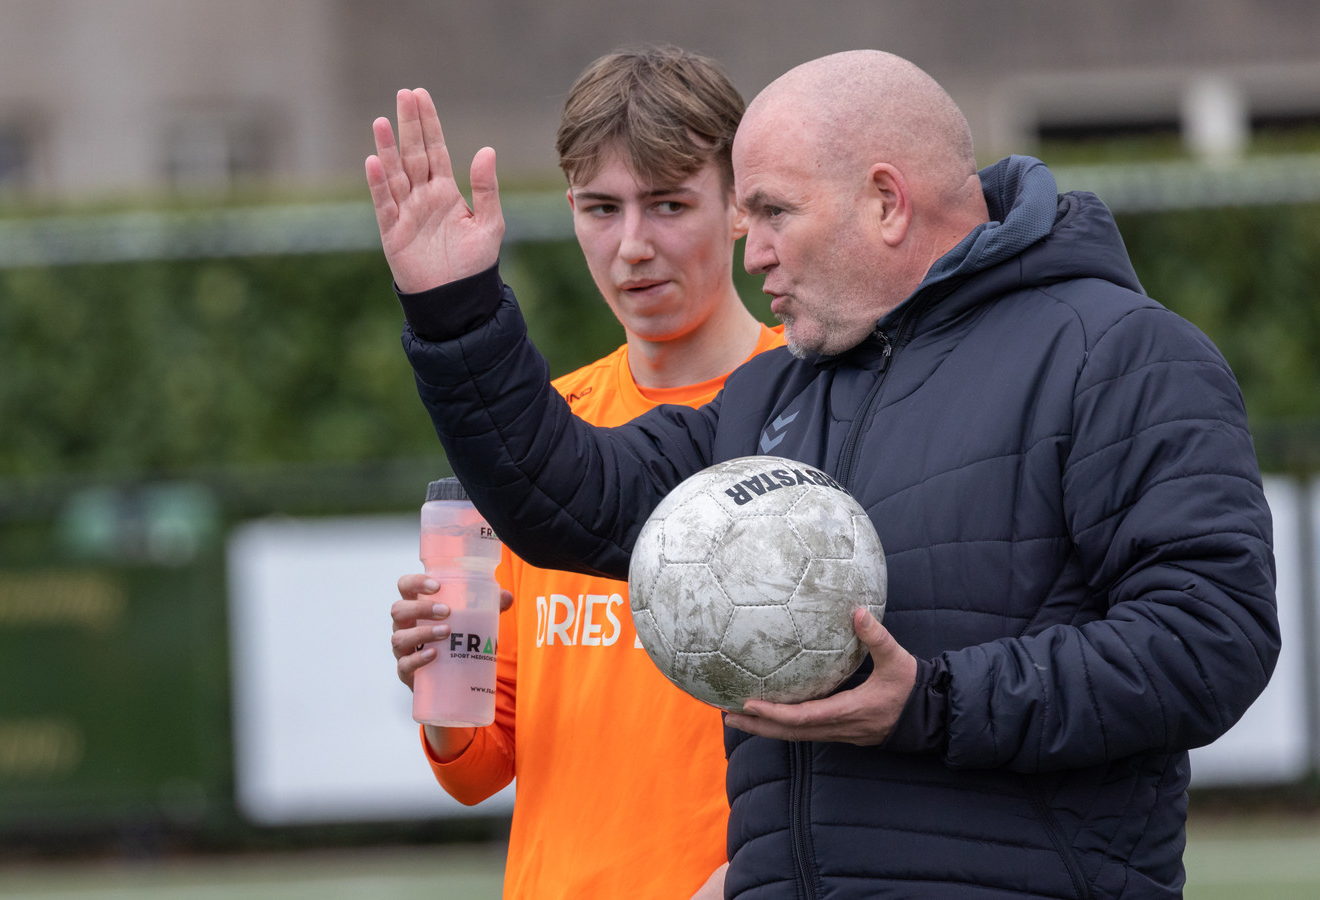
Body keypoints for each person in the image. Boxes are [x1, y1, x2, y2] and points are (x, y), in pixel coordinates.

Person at [367, 48, 1280, 900]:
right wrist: (457, 310)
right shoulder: (779, 391)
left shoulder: (1120, 352)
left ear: (886, 201)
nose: (751, 248)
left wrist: (933, 702)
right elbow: (568, 498)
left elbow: (1213, 638)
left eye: (771, 212)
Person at [376, 46, 783, 899]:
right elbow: (479, 768)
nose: (632, 245)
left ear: (740, 202)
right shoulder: (543, 434)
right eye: (602, 208)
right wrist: (441, 683)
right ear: (569, 210)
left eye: (668, 204)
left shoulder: (813, 409)